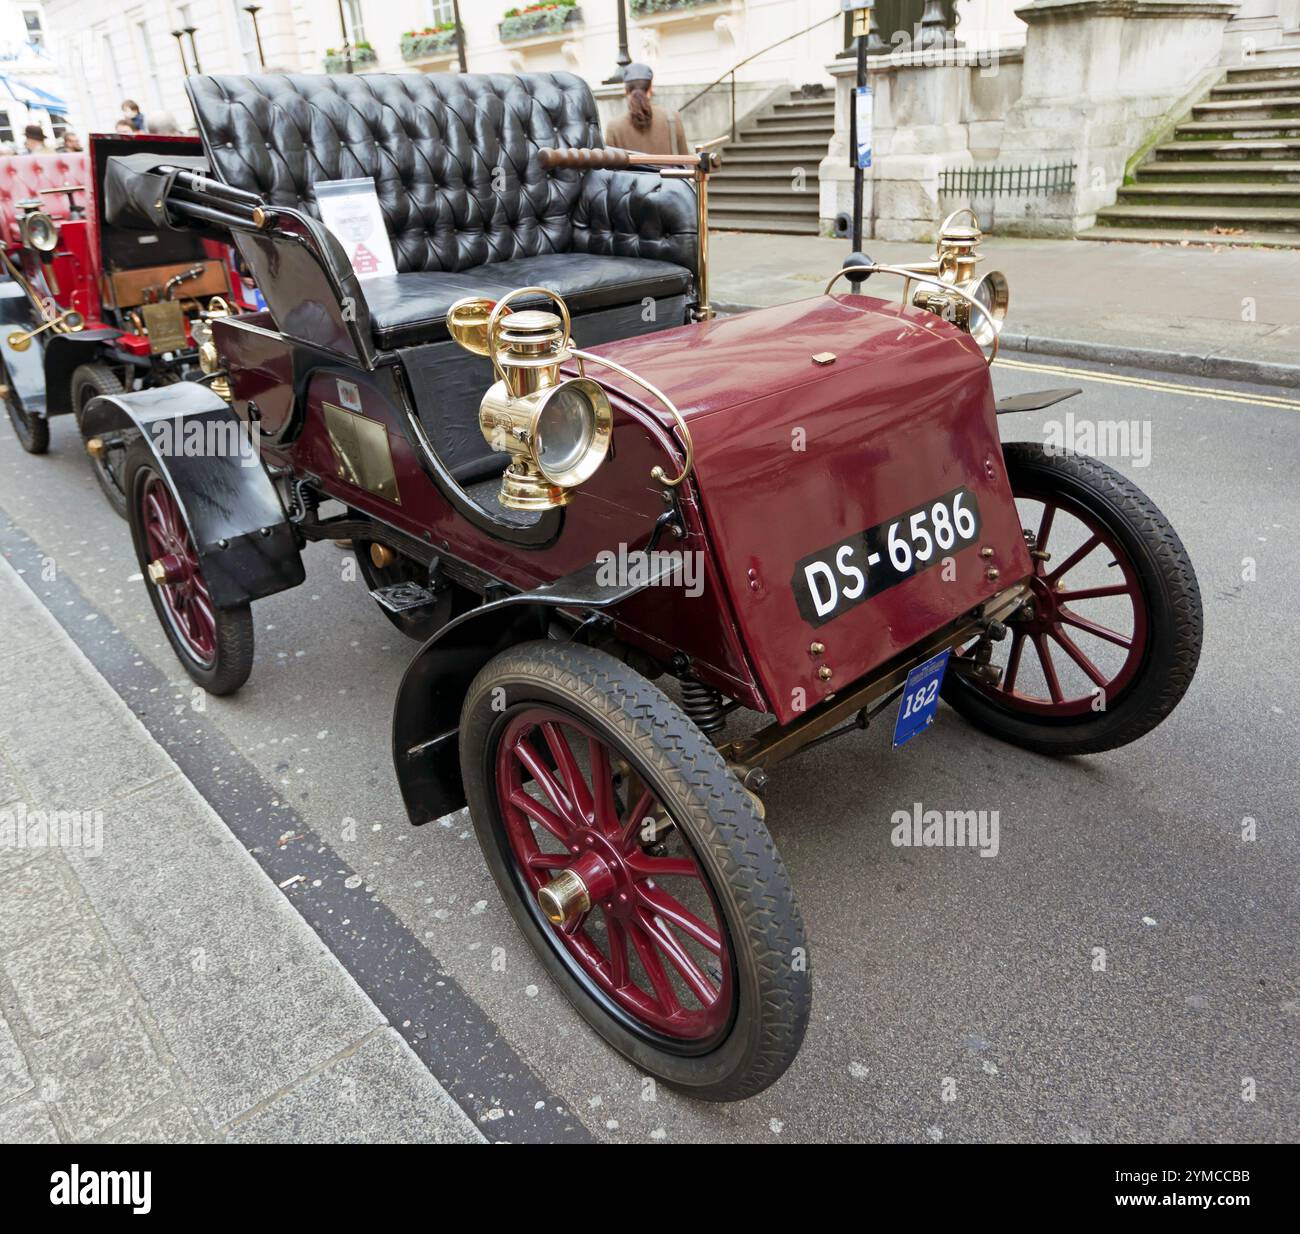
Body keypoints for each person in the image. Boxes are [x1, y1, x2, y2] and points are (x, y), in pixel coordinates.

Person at [604, 63, 687, 156]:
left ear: (626, 90)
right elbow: (687, 162)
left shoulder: (614, 127)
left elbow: (611, 168)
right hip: (669, 170)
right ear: (651, 88)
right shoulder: (672, 118)